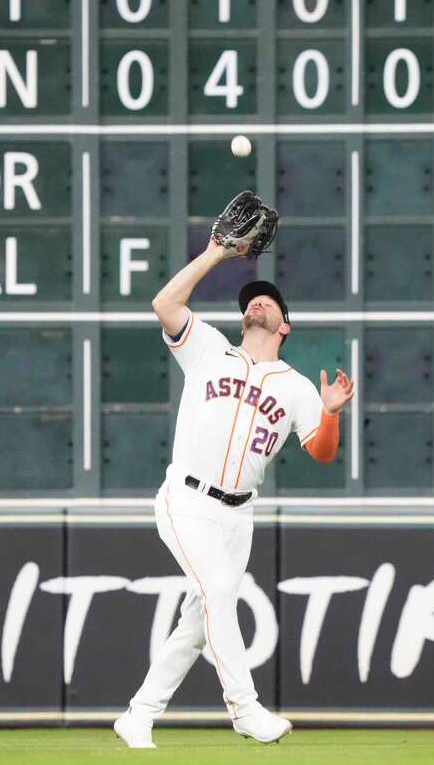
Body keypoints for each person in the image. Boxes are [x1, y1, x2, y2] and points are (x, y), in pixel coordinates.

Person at [114, 235, 355, 749]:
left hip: (237, 516)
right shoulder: (208, 350)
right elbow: (164, 304)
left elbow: (322, 452)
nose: (256, 303)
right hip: (187, 498)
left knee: (200, 621)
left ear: (284, 325)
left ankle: (139, 714)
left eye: (266, 301)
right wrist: (218, 254)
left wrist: (331, 414)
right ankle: (244, 710)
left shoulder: (297, 387)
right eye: (250, 301)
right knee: (219, 593)